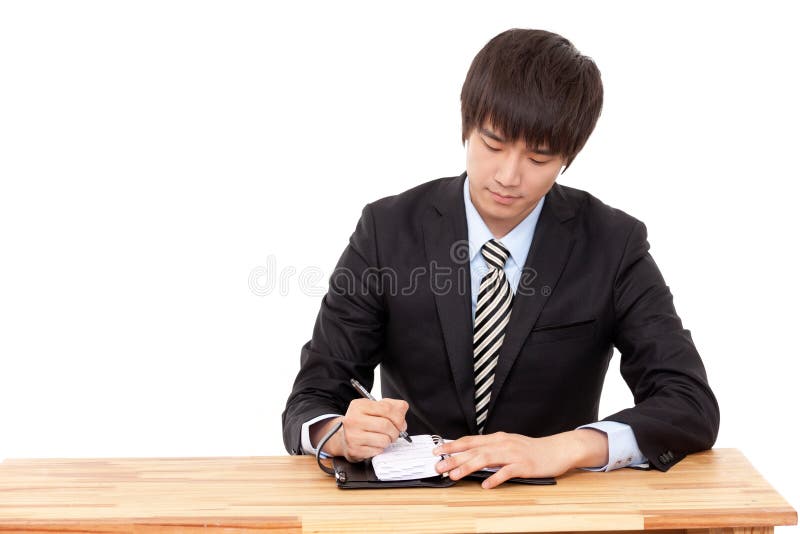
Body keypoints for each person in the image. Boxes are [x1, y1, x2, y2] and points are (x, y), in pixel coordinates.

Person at [281, 28, 719, 489]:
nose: (508, 176)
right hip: (415, 504)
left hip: (557, 508)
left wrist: (566, 447)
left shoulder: (613, 243)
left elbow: (689, 403)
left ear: (568, 156)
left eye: (539, 158)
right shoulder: (387, 230)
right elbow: (311, 398)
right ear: (467, 126)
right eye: (493, 145)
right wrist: (339, 434)